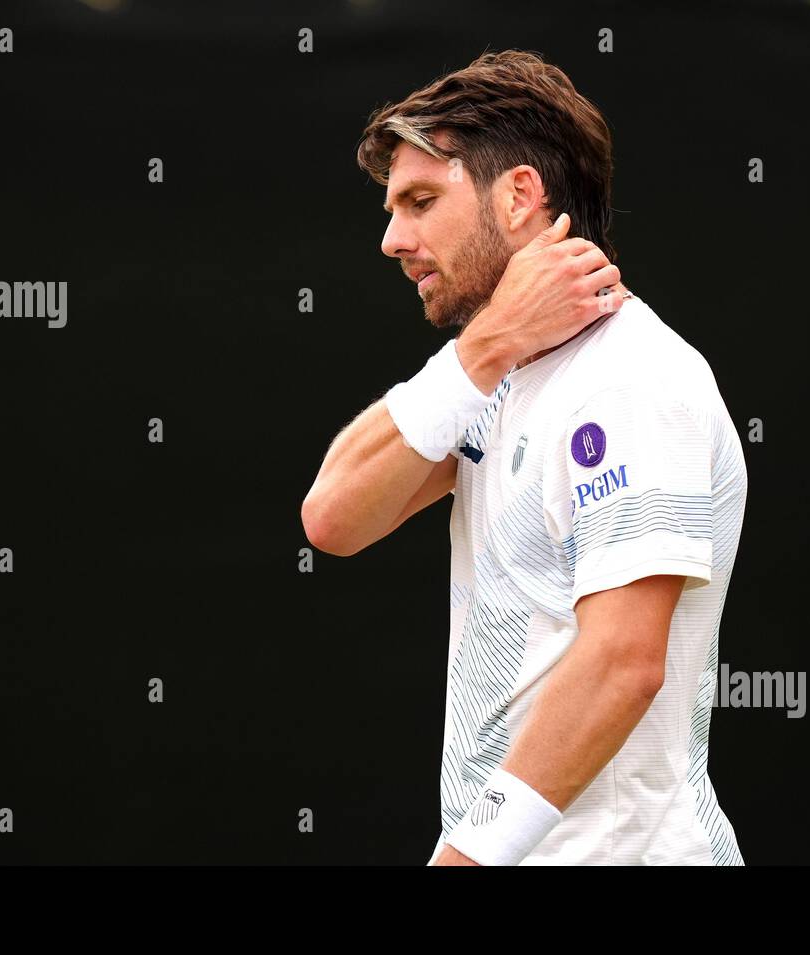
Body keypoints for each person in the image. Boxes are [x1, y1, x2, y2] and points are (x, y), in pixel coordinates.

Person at [302, 49, 746, 866]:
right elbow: (333, 515)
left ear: (518, 197)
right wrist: (487, 347)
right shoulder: (497, 368)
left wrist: (467, 857)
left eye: (421, 201)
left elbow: (623, 662)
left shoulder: (635, 379)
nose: (392, 238)